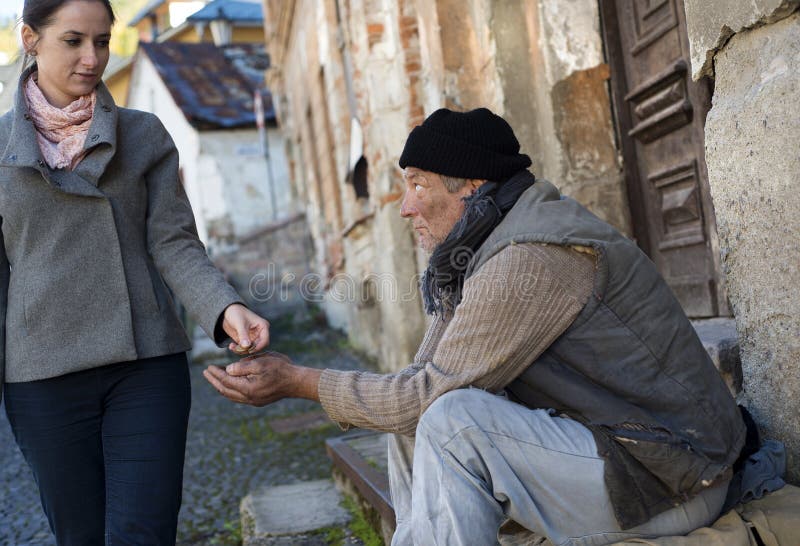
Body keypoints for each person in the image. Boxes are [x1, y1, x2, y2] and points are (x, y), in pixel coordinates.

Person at [204, 108, 747, 545]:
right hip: (624, 460)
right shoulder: (481, 249)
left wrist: (299, 381)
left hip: (674, 481)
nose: (404, 207)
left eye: (417, 185)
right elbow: (419, 384)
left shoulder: (534, 255)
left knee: (451, 418)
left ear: (470, 187)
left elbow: (423, 396)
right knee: (419, 421)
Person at [0, 1, 270, 544]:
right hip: (42, 376)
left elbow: (173, 242)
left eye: (102, 41)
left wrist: (224, 306)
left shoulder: (143, 134)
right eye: (73, 41)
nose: (92, 57)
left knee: (143, 534)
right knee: (81, 536)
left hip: (144, 365)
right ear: (31, 38)